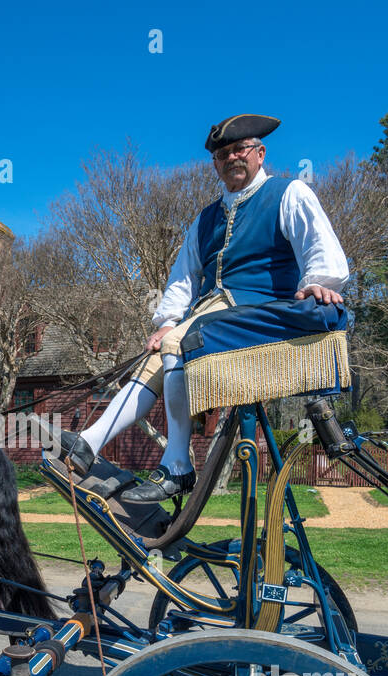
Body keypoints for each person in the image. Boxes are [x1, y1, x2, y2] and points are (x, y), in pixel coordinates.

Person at [56, 114, 349, 502]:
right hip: (212, 314)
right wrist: (166, 321)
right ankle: (90, 443)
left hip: (265, 316)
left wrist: (319, 283)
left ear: (260, 154)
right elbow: (182, 278)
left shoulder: (289, 193)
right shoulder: (205, 219)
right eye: (223, 154)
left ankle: (178, 465)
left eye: (239, 150)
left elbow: (318, 246)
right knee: (160, 351)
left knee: (180, 342)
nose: (231, 158)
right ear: (215, 164)